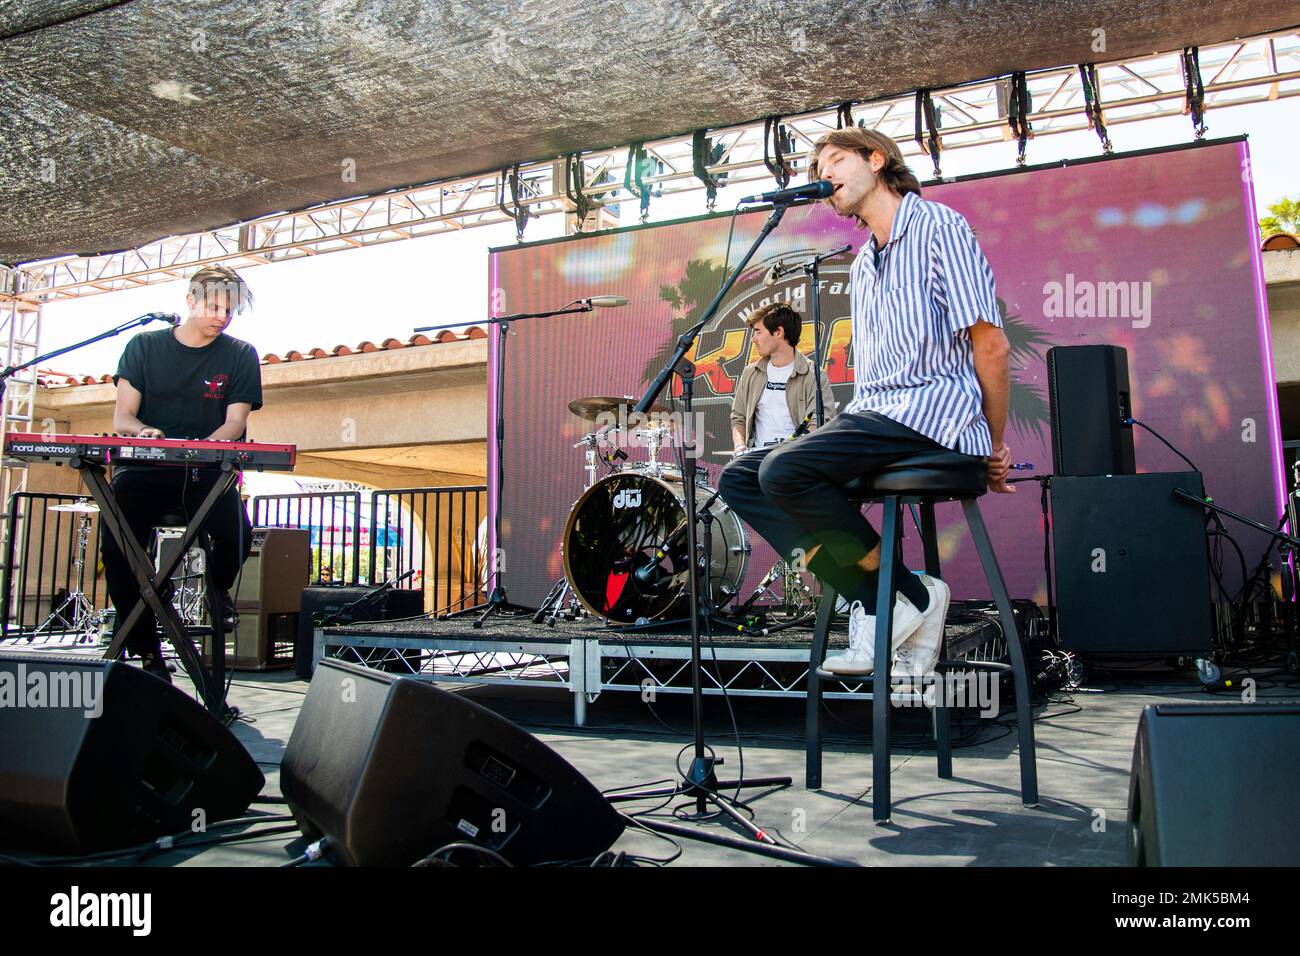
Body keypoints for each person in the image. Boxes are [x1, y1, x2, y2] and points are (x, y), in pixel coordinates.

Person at [717, 128, 1015, 678]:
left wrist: (992, 443)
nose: (822, 176)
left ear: (876, 160)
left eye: (835, 161)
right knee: (739, 477)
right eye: (816, 169)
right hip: (878, 415)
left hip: (933, 413)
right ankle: (895, 595)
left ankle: (888, 603)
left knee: (785, 470)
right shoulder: (862, 265)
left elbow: (990, 344)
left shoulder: (938, 226)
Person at [102, 264, 263, 681]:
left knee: (237, 535)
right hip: (143, 470)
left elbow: (234, 424)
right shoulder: (143, 347)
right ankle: (146, 650)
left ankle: (218, 591)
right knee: (118, 546)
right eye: (212, 306)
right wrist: (148, 433)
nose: (221, 316)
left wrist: (203, 450)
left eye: (229, 310)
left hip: (205, 473)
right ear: (189, 301)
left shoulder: (241, 354)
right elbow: (124, 418)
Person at [728, 301, 837, 457]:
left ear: (778, 332)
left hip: (794, 459)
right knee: (729, 478)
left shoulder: (814, 375)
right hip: (755, 458)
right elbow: (738, 418)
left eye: (758, 332)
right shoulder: (750, 373)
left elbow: (819, 424)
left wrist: (792, 452)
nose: (754, 338)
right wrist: (740, 447)